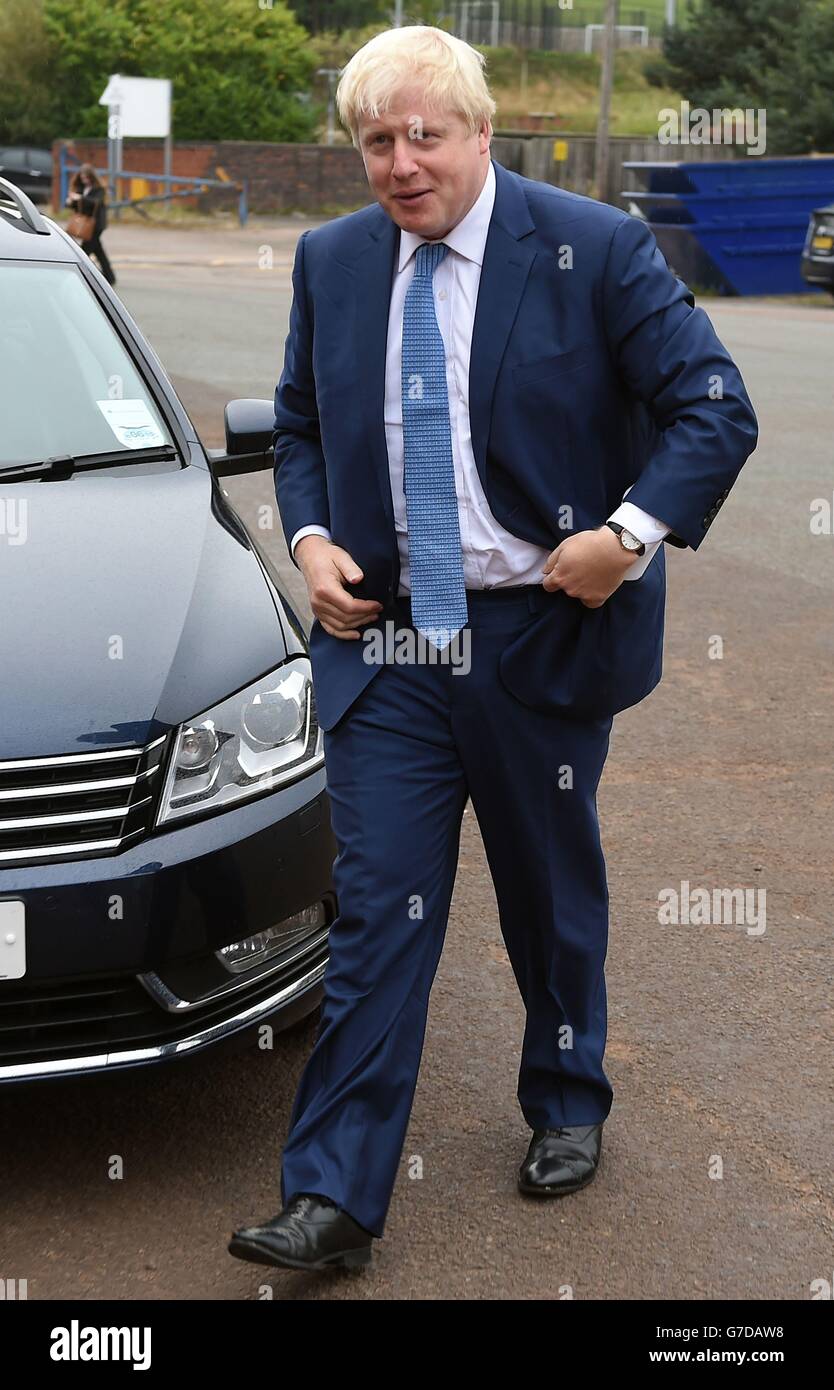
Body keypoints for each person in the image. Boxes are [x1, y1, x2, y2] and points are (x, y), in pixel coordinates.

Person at [228, 25, 758, 1275]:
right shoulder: (334, 260)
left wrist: (626, 536)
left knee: (547, 890)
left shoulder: (595, 248)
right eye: (376, 141)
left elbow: (713, 406)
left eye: (425, 135)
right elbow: (298, 420)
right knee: (377, 914)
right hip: (394, 642)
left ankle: (567, 1095)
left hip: (542, 635)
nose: (402, 163)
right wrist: (305, 537)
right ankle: (336, 1199)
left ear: (480, 130)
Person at [66, 163, 116, 286]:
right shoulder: (81, 188)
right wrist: (71, 201)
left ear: (92, 177)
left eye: (87, 178)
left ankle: (86, 275)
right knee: (99, 251)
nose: (85, 180)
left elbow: (96, 203)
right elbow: (78, 206)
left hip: (96, 225)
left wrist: (80, 198)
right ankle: (109, 277)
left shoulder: (99, 189)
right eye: (83, 178)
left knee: (84, 252)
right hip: (85, 224)